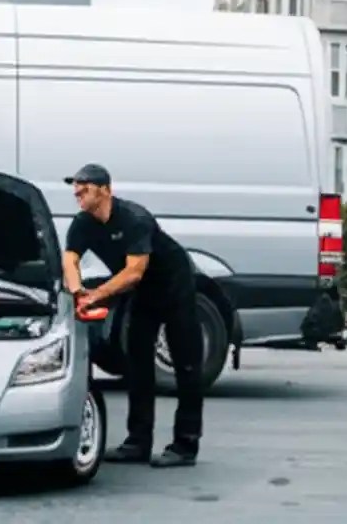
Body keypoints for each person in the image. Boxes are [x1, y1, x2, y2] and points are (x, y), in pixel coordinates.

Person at [61, 164, 204, 468]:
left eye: (84, 188)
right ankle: (138, 442)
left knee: (186, 363)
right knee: (137, 362)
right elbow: (70, 259)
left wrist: (96, 295)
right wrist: (77, 293)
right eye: (75, 187)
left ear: (105, 190)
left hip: (174, 282)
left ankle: (185, 445)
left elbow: (134, 272)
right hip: (142, 293)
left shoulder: (134, 218)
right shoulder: (82, 223)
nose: (77, 192)